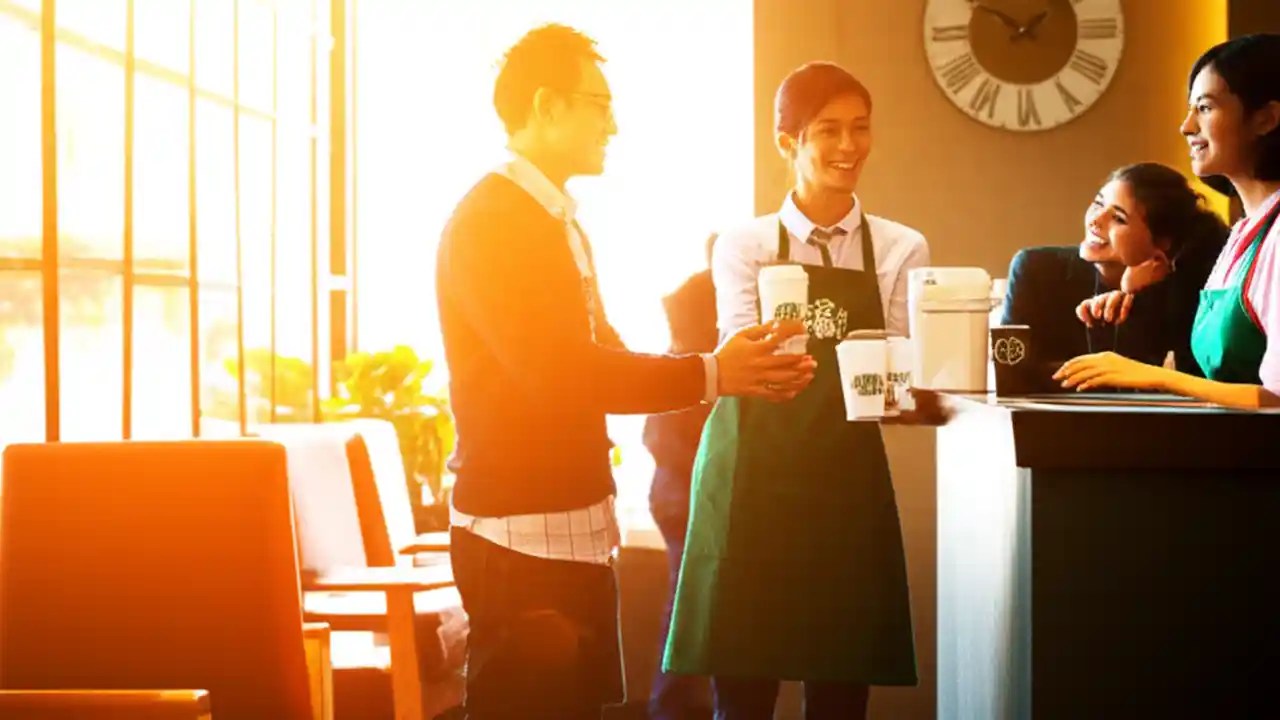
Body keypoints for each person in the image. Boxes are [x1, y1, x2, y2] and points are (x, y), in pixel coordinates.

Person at [434, 25, 816, 719]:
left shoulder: (556, 222)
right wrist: (712, 373)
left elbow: (599, 348)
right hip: (519, 538)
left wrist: (723, 366)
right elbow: (560, 373)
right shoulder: (496, 221)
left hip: (571, 525)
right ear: (547, 107)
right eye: (597, 103)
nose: (613, 123)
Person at [663, 62, 944, 720]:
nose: (848, 147)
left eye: (860, 129)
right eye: (828, 131)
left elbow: (904, 366)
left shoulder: (902, 247)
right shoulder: (745, 243)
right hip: (750, 471)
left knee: (841, 680)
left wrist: (919, 389)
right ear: (787, 142)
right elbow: (742, 355)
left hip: (844, 474)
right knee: (744, 682)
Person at [1057, 34, 1280, 410]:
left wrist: (1155, 376)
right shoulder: (1244, 233)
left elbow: (1275, 400)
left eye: (1205, 108)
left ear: (1266, 118)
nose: (1186, 126)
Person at [1002, 163, 1227, 378]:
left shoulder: (1187, 295)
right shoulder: (1035, 270)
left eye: (1118, 218)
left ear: (1163, 243)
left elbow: (1181, 387)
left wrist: (1139, 299)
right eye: (1098, 204)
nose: (1095, 220)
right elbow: (1011, 373)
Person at [644, 233, 720, 720]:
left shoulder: (690, 308)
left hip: (676, 481)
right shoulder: (710, 311)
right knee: (694, 612)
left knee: (689, 607)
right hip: (689, 481)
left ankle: (673, 710)